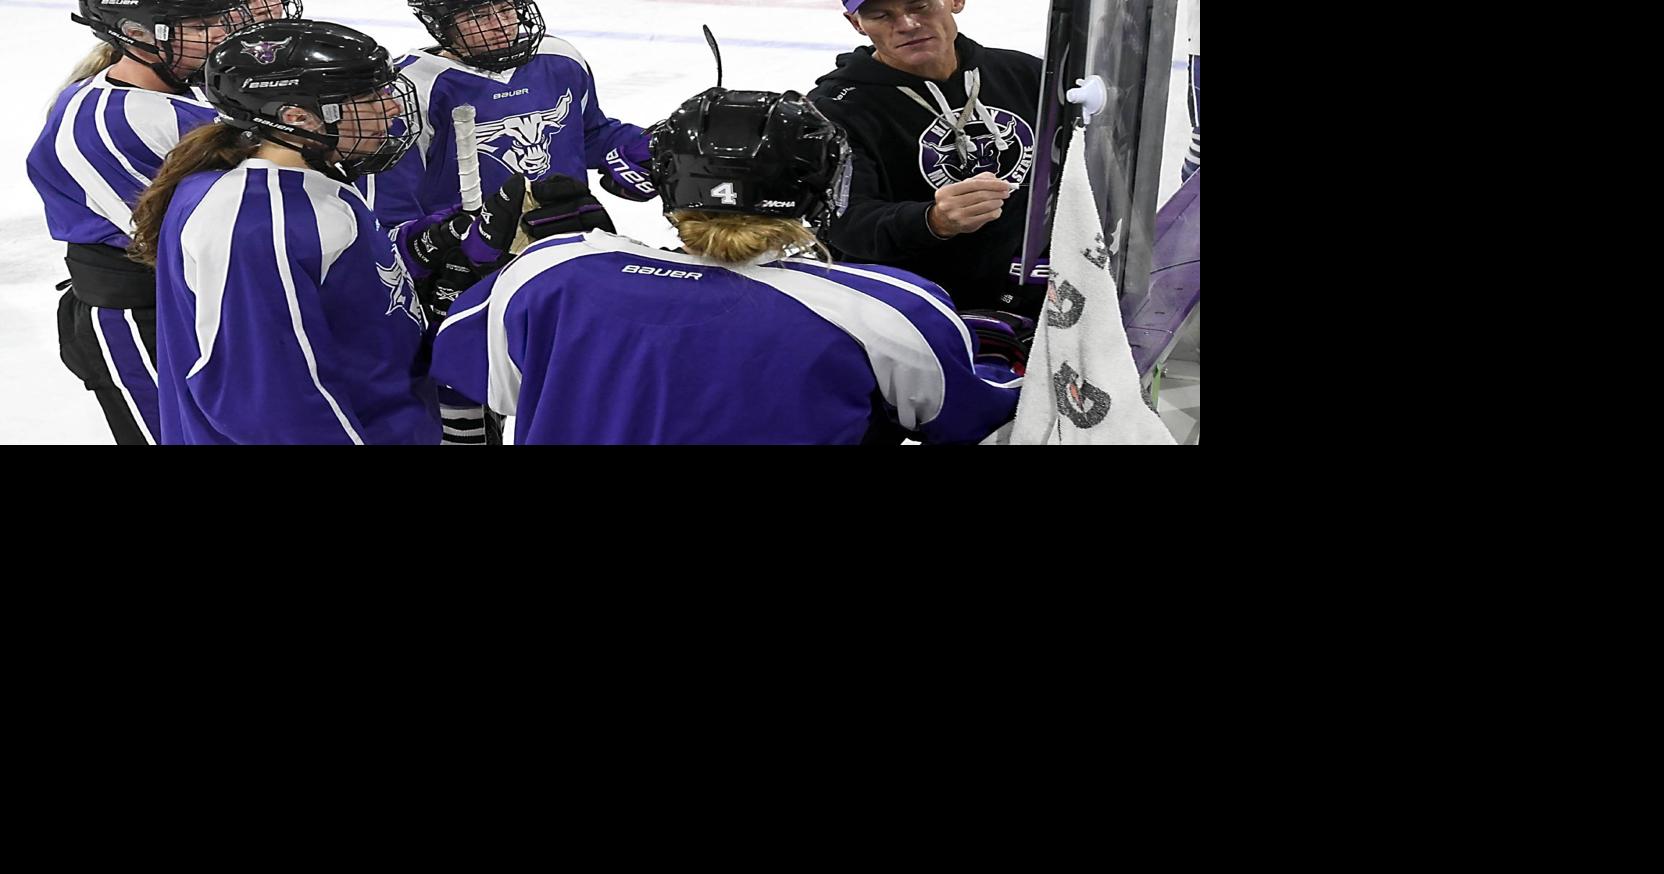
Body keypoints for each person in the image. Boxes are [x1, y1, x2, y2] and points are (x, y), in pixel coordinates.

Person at [428, 87, 1023, 445]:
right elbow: (975, 419)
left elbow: (462, 372)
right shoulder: (886, 308)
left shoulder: (547, 269)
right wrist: (1001, 352)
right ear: (820, 188)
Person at [127, 18, 526, 444]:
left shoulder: (300, 178)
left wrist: (422, 245)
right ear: (298, 117)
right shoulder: (257, 225)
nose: (391, 106)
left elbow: (332, 283)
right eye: (368, 96)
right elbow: (270, 405)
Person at [27, 1, 259, 445]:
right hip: (141, 322)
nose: (219, 34)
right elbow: (182, 245)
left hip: (169, 310)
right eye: (200, 24)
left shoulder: (156, 99)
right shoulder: (123, 121)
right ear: (139, 33)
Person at [808, 0, 1044, 315]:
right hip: (914, 314)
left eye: (920, 6)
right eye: (881, 15)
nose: (906, 24)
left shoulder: (1026, 74)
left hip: (1039, 298)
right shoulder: (833, 109)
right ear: (856, 24)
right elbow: (846, 225)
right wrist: (933, 220)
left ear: (955, 2)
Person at [358, 0, 660, 229]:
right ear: (440, 23)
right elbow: (391, 201)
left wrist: (655, 146)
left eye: (506, 9)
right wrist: (423, 255)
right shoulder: (412, 86)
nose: (500, 25)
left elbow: (588, 134)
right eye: (478, 16)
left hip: (569, 230)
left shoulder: (559, 57)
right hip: (469, 253)